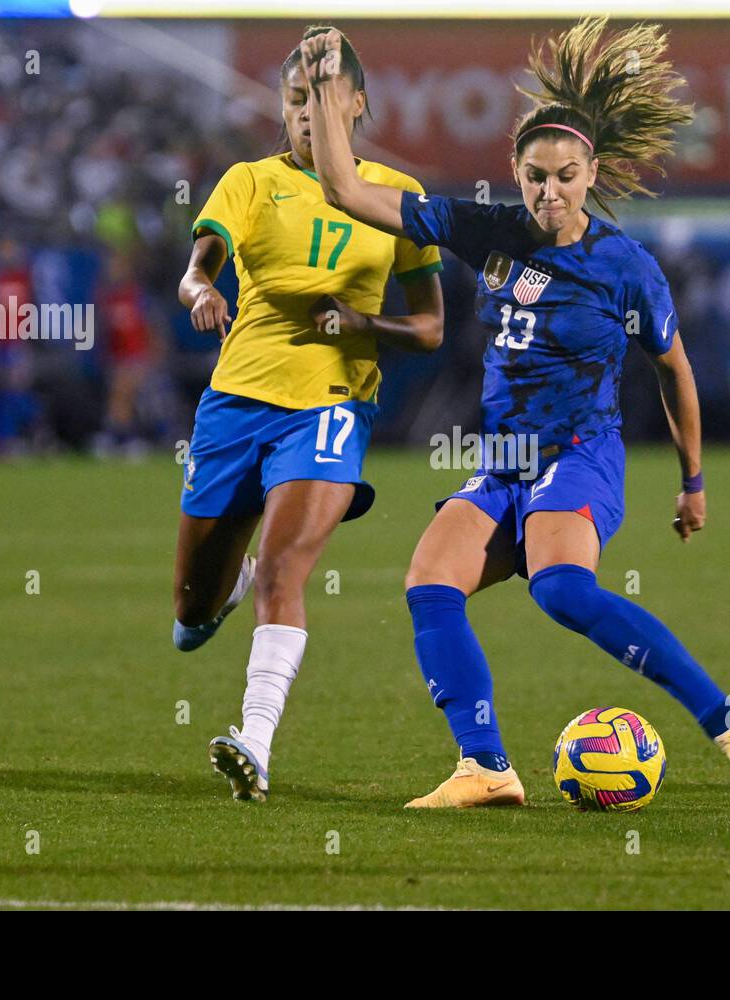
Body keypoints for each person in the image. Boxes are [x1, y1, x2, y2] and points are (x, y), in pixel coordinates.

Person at [300, 17, 730, 807]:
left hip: (581, 452)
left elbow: (675, 371)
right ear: (515, 171)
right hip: (506, 462)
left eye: (565, 175)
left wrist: (692, 479)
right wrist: (327, 92)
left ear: (591, 171)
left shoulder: (624, 267)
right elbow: (347, 190)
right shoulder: (488, 229)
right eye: (535, 175)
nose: (549, 191)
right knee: (430, 582)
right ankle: (486, 767)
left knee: (560, 591)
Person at [175, 26, 445, 801]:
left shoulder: (398, 196)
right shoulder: (251, 181)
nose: (302, 114)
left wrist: (364, 326)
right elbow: (196, 272)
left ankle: (253, 744)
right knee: (191, 615)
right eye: (293, 100)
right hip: (237, 400)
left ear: (354, 105)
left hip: (331, 405)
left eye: (318, 99)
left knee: (287, 569)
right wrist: (203, 293)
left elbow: (430, 329)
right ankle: (224, 587)